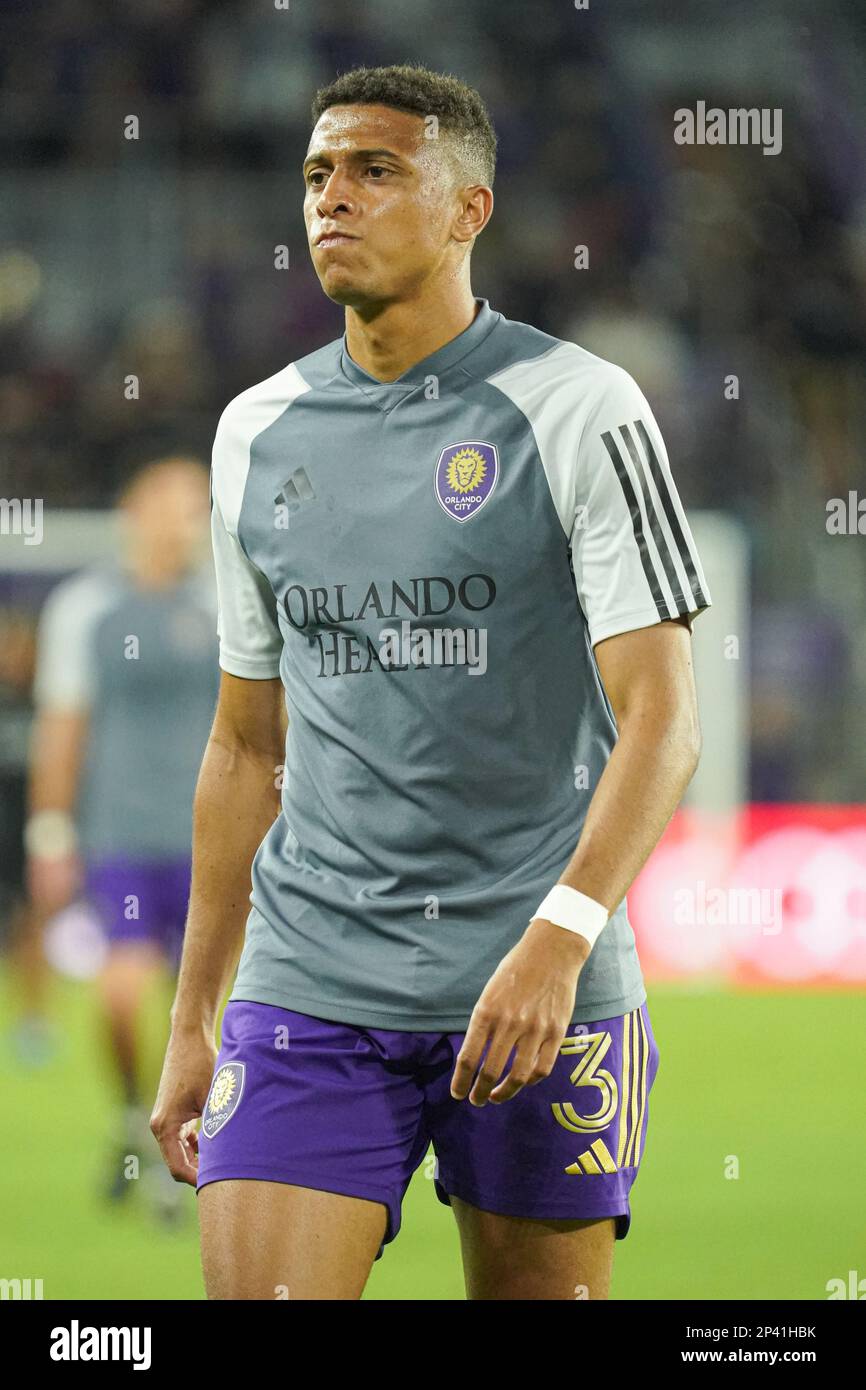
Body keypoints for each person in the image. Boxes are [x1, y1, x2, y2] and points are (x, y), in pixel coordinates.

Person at [151, 64, 712, 1299]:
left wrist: (558, 942)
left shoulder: (577, 407)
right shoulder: (255, 431)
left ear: (469, 211)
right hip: (310, 984)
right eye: (315, 174)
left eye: (374, 169)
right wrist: (194, 1013)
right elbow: (248, 747)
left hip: (537, 983)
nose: (330, 198)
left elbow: (662, 717)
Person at [28, 455, 219, 1213]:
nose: (189, 520)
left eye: (198, 506)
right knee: (119, 995)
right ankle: (126, 1119)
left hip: (208, 842)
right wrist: (50, 831)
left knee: (197, 1013)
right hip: (121, 838)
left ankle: (180, 1156)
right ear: (137, 509)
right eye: (177, 503)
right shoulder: (85, 608)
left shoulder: (221, 604)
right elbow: (63, 725)